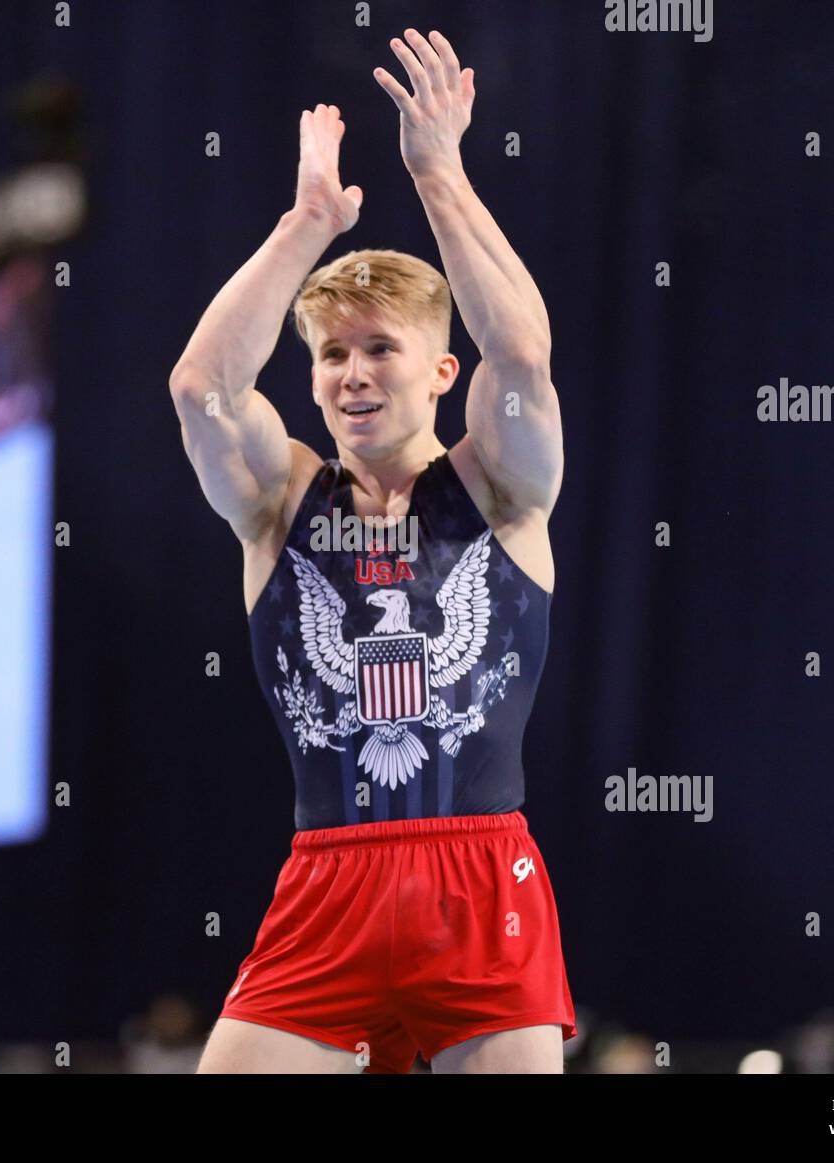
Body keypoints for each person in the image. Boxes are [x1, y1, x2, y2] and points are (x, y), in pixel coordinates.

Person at [171, 28, 573, 1074]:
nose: (352, 373)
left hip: (478, 888)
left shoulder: (500, 487)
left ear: (442, 371)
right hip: (326, 891)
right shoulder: (280, 504)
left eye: (380, 348)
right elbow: (201, 389)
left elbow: (521, 353)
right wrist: (304, 225)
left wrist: (438, 174)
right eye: (332, 353)